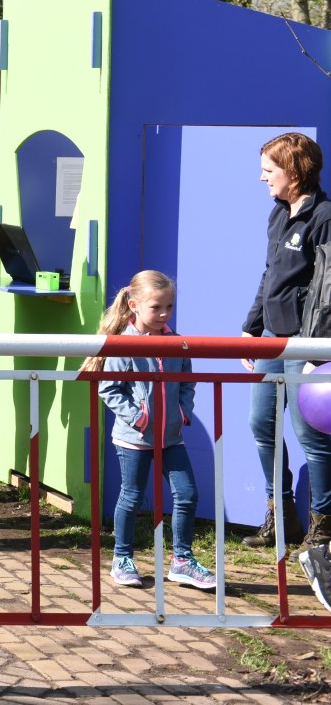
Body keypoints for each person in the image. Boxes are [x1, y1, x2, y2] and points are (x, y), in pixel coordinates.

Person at [99, 270, 216, 590]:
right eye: (156, 307)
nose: (164, 313)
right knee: (132, 497)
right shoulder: (123, 344)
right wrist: (139, 418)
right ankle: (121, 558)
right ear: (134, 305)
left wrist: (182, 413)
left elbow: (187, 383)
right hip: (134, 439)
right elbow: (109, 390)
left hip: (171, 438)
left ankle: (182, 560)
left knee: (188, 494)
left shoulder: (176, 341)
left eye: (169, 306)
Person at [243, 132, 331, 549]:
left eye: (268, 170)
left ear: (294, 172)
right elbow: (270, 275)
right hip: (272, 340)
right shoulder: (278, 214)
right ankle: (281, 516)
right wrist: (251, 326)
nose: (262, 179)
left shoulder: (325, 216)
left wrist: (317, 347)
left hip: (305, 341)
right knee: (261, 424)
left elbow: (326, 287)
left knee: (310, 433)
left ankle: (323, 525)